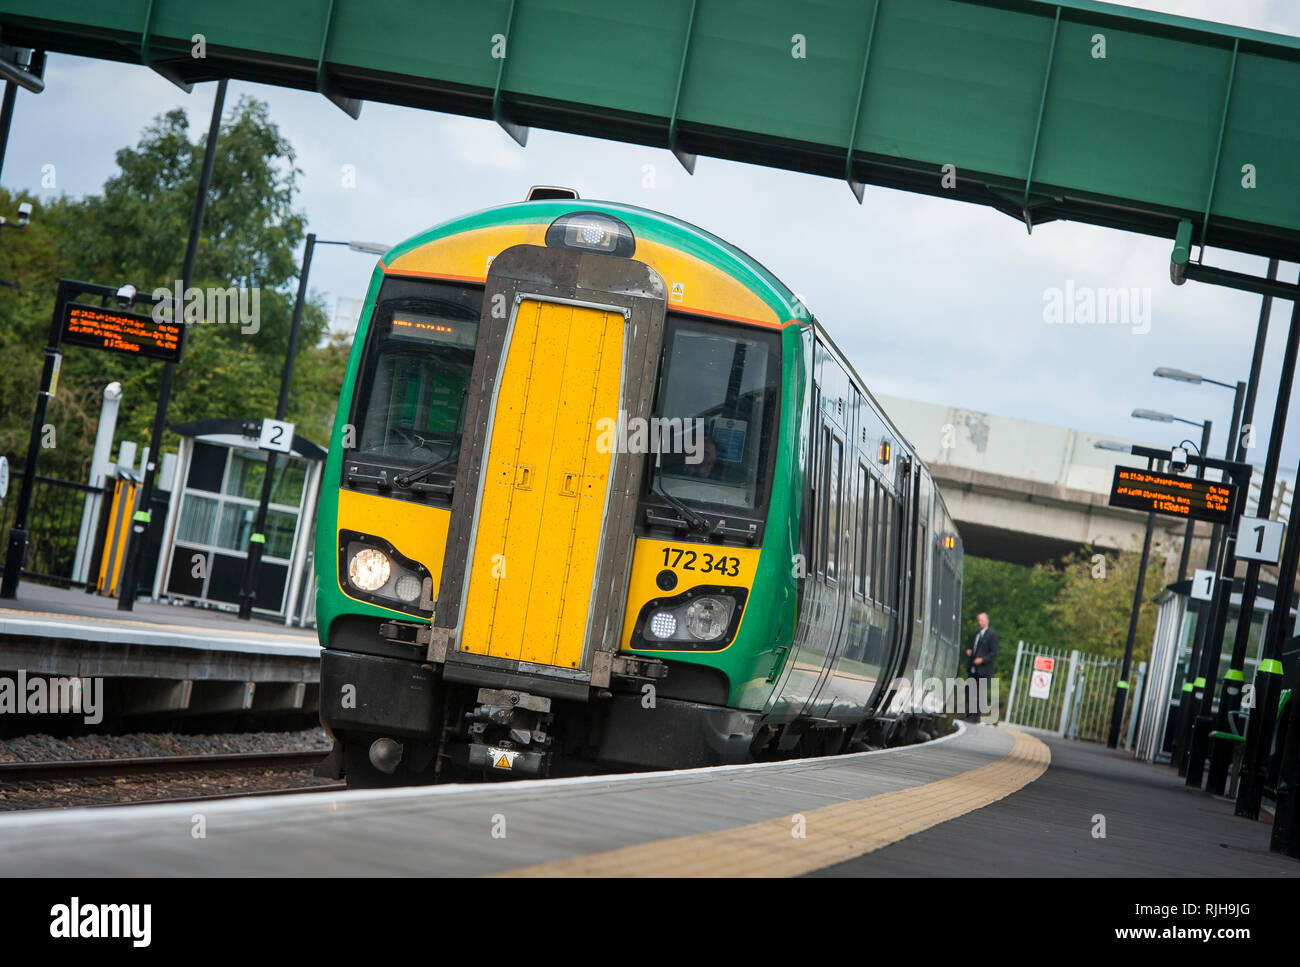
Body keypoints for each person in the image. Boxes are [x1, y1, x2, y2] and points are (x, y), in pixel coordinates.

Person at [964, 612, 998, 723]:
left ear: (987, 621)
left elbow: (993, 653)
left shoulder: (992, 634)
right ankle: (969, 715)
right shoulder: (977, 634)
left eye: (981, 620)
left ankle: (975, 717)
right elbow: (974, 647)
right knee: (970, 691)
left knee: (979, 694)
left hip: (984, 670)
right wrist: (970, 651)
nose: (979, 622)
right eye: (978, 620)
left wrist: (982, 660)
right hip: (974, 668)